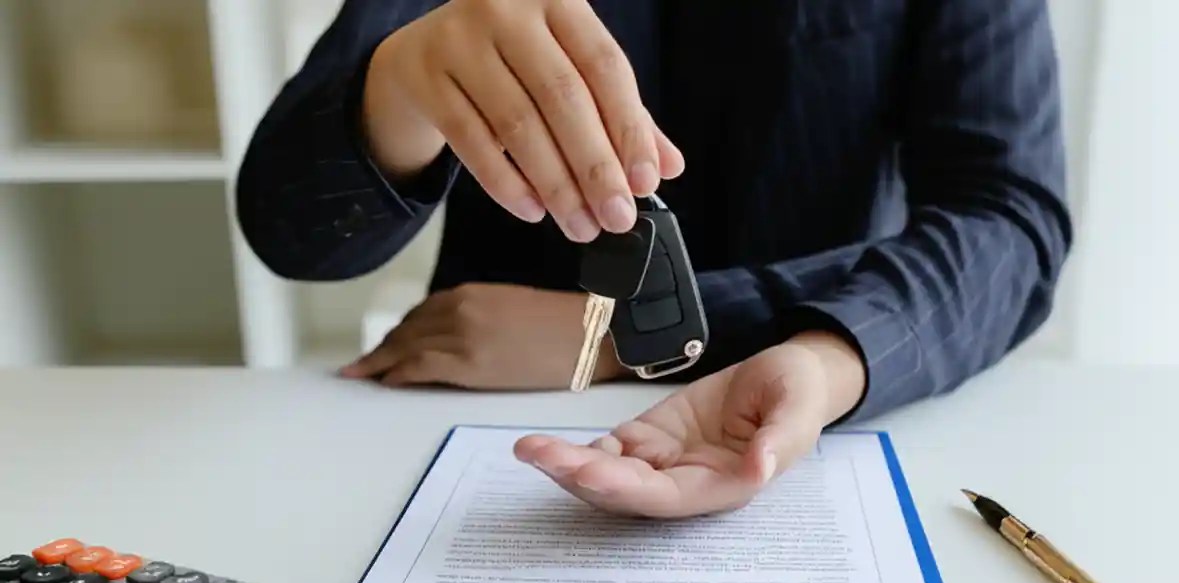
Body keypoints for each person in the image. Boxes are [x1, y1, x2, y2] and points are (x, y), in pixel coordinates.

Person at [236, 0, 1072, 518]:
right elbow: (297, 235)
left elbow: (1006, 218)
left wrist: (621, 339)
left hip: (821, 424)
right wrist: (400, 83)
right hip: (480, 438)